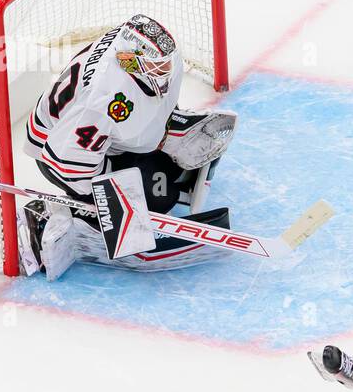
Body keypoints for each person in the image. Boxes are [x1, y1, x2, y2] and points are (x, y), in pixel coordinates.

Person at [18, 14, 237, 278]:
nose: (165, 72)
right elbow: (68, 164)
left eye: (165, 65)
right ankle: (74, 222)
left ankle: (159, 155)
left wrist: (163, 134)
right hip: (61, 154)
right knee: (159, 199)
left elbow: (149, 99)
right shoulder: (101, 100)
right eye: (157, 68)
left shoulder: (134, 55)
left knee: (162, 177)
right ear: (130, 62)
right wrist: (112, 193)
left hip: (101, 137)